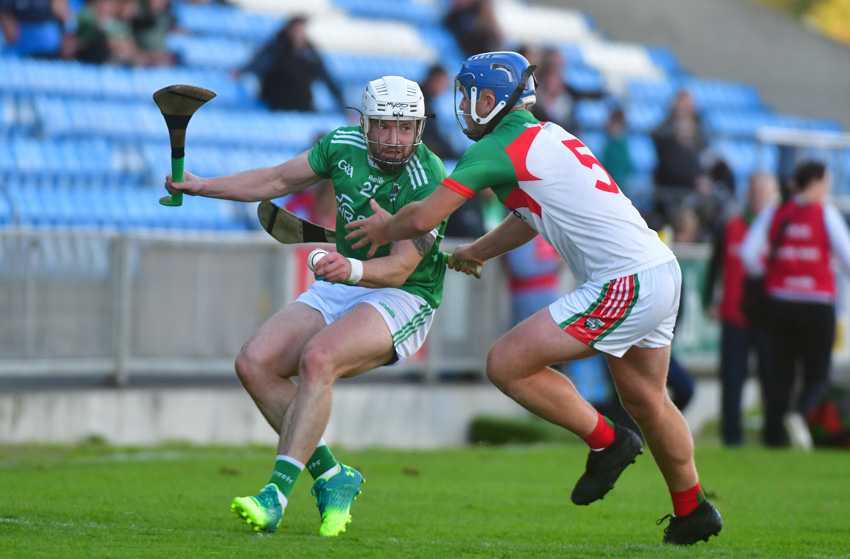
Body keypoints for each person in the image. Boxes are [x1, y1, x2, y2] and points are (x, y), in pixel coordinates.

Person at [346, 51, 722, 545]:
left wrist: (384, 225)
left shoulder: (496, 147)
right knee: (647, 399)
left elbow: (420, 220)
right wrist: (478, 251)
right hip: (658, 268)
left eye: (469, 96)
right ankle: (692, 509)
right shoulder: (551, 134)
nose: (462, 106)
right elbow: (530, 216)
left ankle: (608, 442)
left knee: (506, 363)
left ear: (491, 99)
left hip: (624, 281)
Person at [163, 76, 450, 536]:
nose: (395, 140)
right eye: (384, 127)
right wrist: (203, 186)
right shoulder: (340, 144)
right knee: (254, 363)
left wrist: (350, 270)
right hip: (347, 276)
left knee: (318, 358)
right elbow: (277, 179)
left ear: (419, 127)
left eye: (405, 128)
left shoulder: (430, 176)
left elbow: (398, 270)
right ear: (366, 124)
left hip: (404, 294)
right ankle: (334, 477)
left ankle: (274, 496)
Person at [741, 161, 850, 449]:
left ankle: (774, 436)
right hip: (817, 303)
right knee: (818, 372)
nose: (827, 190)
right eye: (825, 183)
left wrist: (775, 275)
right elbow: (847, 258)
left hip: (778, 302)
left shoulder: (775, 212)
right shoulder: (825, 214)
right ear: (813, 183)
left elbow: (750, 255)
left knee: (780, 373)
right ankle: (799, 413)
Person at [704, 172, 778, 446]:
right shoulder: (731, 226)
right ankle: (731, 436)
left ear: (774, 194)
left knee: (772, 379)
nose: (758, 195)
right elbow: (714, 267)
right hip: (734, 315)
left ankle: (774, 436)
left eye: (764, 190)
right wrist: (708, 300)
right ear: (748, 193)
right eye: (755, 189)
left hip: (769, 319)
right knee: (732, 378)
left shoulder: (780, 227)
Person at [236, 16, 344, 112]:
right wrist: (243, 71)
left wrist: (344, 106)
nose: (299, 33)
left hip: (303, 107)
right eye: (296, 30)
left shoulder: (311, 55)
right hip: (277, 106)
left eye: (302, 30)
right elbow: (259, 64)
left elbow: (328, 80)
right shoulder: (277, 49)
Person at [0, 0, 69, 58]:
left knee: (53, 39)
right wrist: (4, 18)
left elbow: (60, 9)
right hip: (16, 27)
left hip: (44, 27)